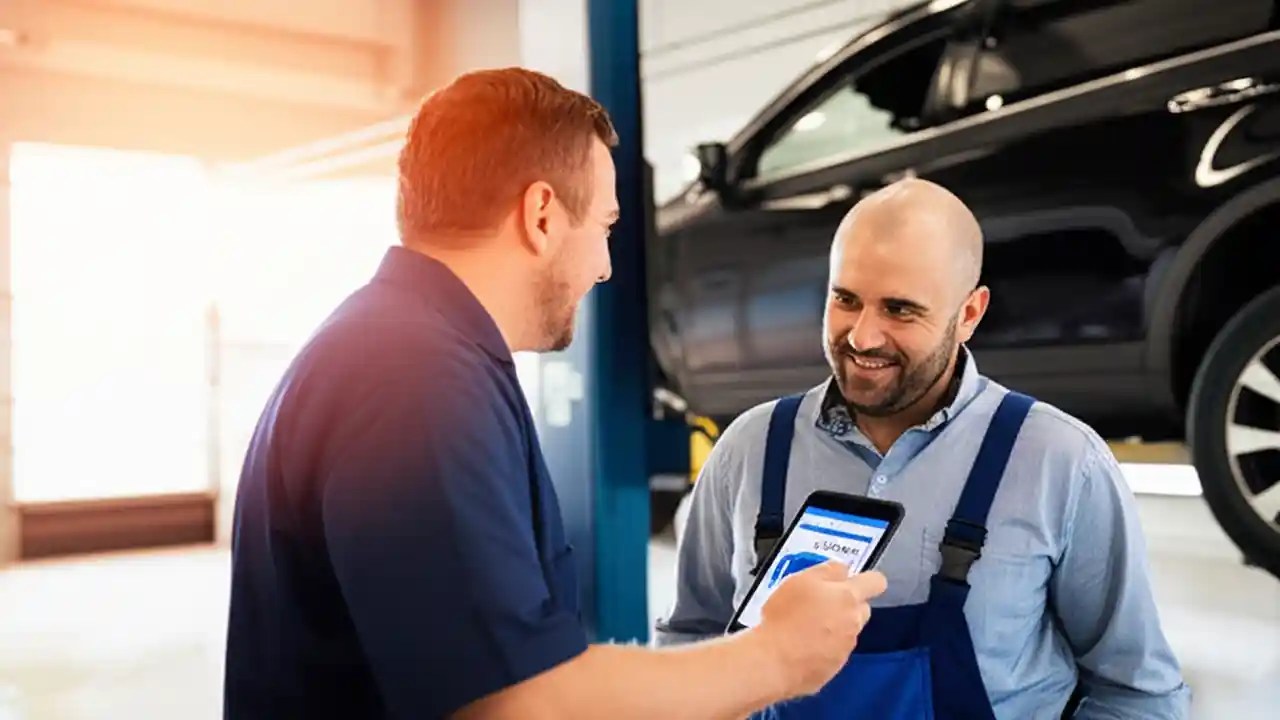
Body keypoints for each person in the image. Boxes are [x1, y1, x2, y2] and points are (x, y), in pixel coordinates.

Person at [222, 67, 887, 720]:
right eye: (604, 226)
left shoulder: (402, 347)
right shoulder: (416, 380)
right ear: (542, 214)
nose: (603, 266)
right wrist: (774, 658)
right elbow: (513, 701)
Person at [655, 179, 1191, 719]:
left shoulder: (1060, 462)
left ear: (970, 315)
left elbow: (1137, 695)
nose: (863, 337)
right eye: (846, 300)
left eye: (900, 310)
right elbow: (692, 641)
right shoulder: (749, 451)